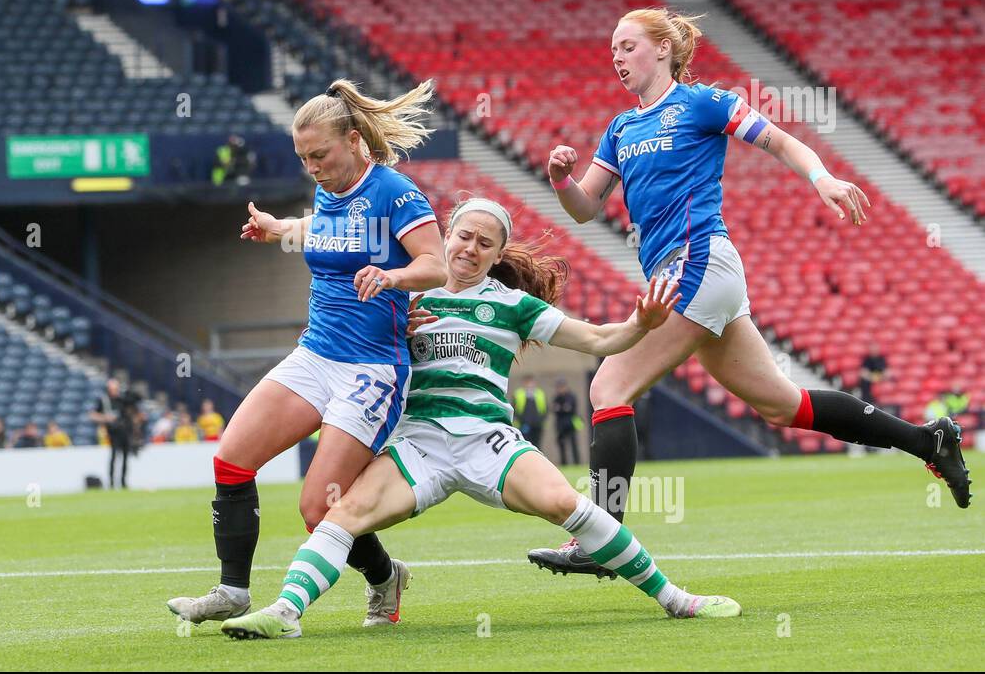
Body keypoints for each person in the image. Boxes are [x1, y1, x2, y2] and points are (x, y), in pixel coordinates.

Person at [532, 7, 972, 578]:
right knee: (781, 404)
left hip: (698, 264)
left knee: (609, 384)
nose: (616, 56)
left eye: (628, 45)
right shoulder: (621, 128)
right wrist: (561, 180)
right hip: (683, 275)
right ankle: (928, 441)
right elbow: (587, 209)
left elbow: (783, 143)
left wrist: (824, 179)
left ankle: (602, 538)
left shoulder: (701, 103)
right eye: (612, 48)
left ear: (663, 49)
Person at [220, 197, 735, 640]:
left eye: (484, 243)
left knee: (565, 503)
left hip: (489, 442)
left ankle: (675, 599)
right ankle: (286, 612)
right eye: (464, 235)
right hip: (418, 443)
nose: (470, 248)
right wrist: (284, 229)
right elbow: (346, 242)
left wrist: (639, 324)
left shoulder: (513, 306)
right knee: (340, 516)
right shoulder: (406, 288)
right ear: (446, 235)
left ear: (496, 254)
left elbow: (600, 340)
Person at [168, 78, 447, 628]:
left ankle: (386, 578)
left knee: (319, 507)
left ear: (353, 140)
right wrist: (281, 229)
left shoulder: (395, 192)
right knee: (231, 458)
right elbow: (326, 231)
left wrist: (392, 276)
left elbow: (435, 265)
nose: (312, 167)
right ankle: (232, 591)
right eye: (303, 158)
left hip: (371, 367)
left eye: (319, 154)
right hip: (315, 354)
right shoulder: (329, 190)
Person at [92, 376, 142, 487]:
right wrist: (106, 418)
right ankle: (111, 483)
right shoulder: (104, 400)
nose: (115, 391)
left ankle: (123, 482)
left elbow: (137, 400)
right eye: (113, 388)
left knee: (125, 457)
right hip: (113, 433)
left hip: (125, 431)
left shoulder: (123, 399)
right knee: (114, 457)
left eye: (116, 388)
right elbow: (93, 415)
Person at [513, 375, 548, 450]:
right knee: (526, 444)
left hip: (537, 424)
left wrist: (541, 420)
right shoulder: (518, 394)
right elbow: (514, 409)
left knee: (537, 444)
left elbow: (545, 409)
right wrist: (521, 420)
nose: (529, 384)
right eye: (527, 382)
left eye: (531, 382)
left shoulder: (540, 393)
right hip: (523, 424)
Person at [552, 377, 582, 466]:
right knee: (561, 444)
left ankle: (577, 463)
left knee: (573, 444)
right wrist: (563, 409)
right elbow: (555, 409)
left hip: (571, 423)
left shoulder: (571, 396)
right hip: (560, 424)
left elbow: (570, 408)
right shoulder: (556, 398)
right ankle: (564, 463)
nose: (561, 389)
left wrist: (561, 409)